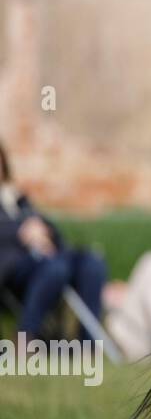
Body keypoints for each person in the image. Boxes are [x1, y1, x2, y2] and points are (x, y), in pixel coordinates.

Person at [0, 141, 108, 343]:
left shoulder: (18, 200)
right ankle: (25, 338)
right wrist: (20, 231)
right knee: (55, 268)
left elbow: (52, 229)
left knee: (92, 263)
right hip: (14, 266)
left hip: (48, 255)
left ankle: (87, 343)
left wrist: (43, 231)